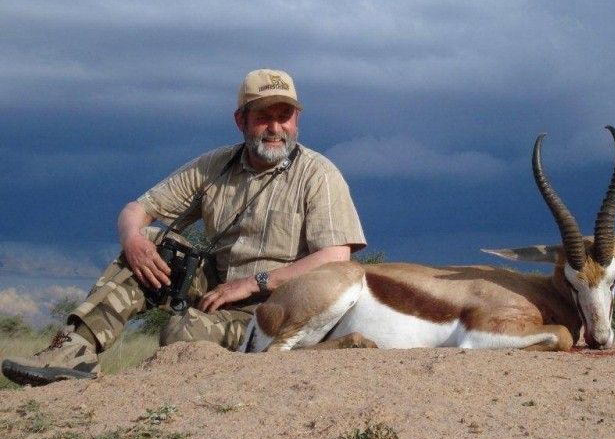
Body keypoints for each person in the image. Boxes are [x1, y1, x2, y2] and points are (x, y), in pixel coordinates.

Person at [2, 69, 367, 386]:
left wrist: (252, 284)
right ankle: (72, 351)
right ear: (241, 120)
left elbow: (336, 258)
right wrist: (132, 239)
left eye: (284, 116)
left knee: (181, 331)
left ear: (296, 120)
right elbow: (137, 209)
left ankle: (279, 362)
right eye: (263, 117)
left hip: (281, 307)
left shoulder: (319, 174)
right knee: (147, 242)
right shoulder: (215, 166)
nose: (275, 128)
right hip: (218, 290)